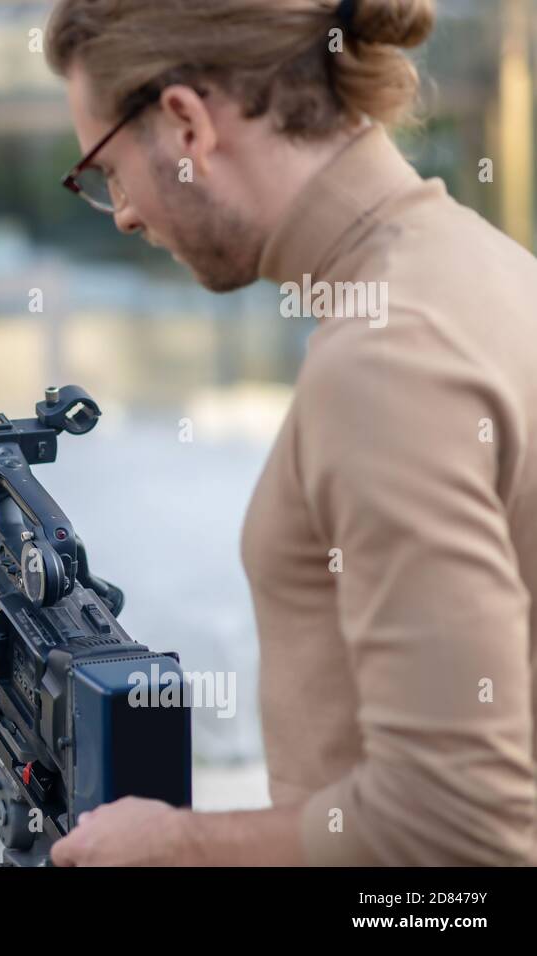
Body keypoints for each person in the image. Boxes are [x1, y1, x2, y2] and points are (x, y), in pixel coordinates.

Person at [45, 0, 537, 865]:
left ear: (186, 123)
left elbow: (458, 827)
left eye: (108, 169)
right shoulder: (489, 270)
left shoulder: (387, 359)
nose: (121, 212)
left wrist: (177, 845)